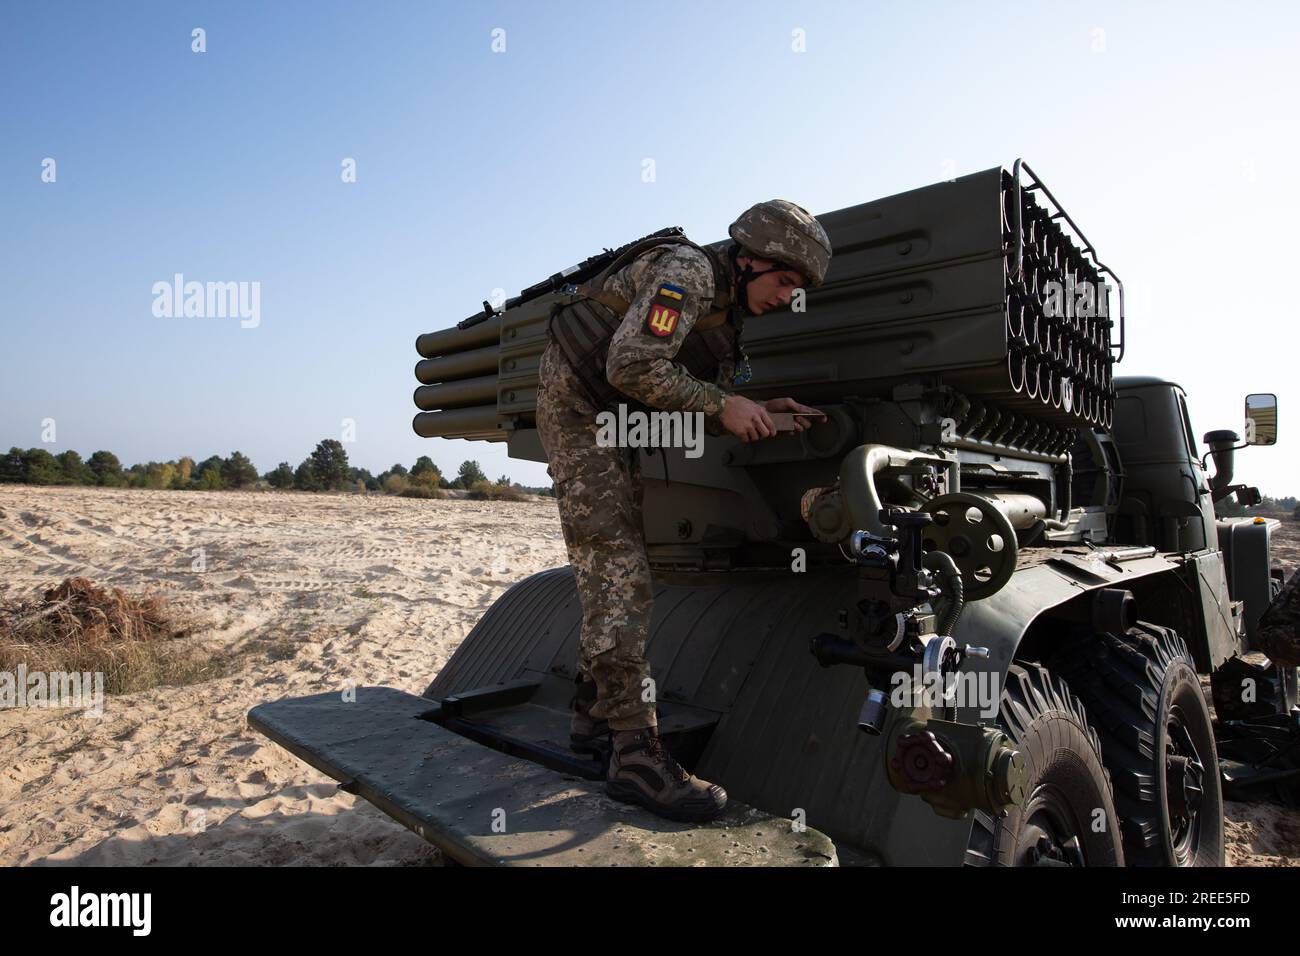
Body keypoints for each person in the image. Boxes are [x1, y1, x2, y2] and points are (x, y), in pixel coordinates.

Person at [535, 200, 832, 821]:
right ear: (749, 258)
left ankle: (592, 722)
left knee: (625, 566)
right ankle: (635, 758)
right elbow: (630, 362)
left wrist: (761, 408)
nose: (788, 297)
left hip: (617, 419)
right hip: (580, 412)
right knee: (619, 575)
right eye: (784, 281)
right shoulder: (688, 274)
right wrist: (724, 408)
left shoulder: (725, 299)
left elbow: (688, 384)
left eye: (798, 289)